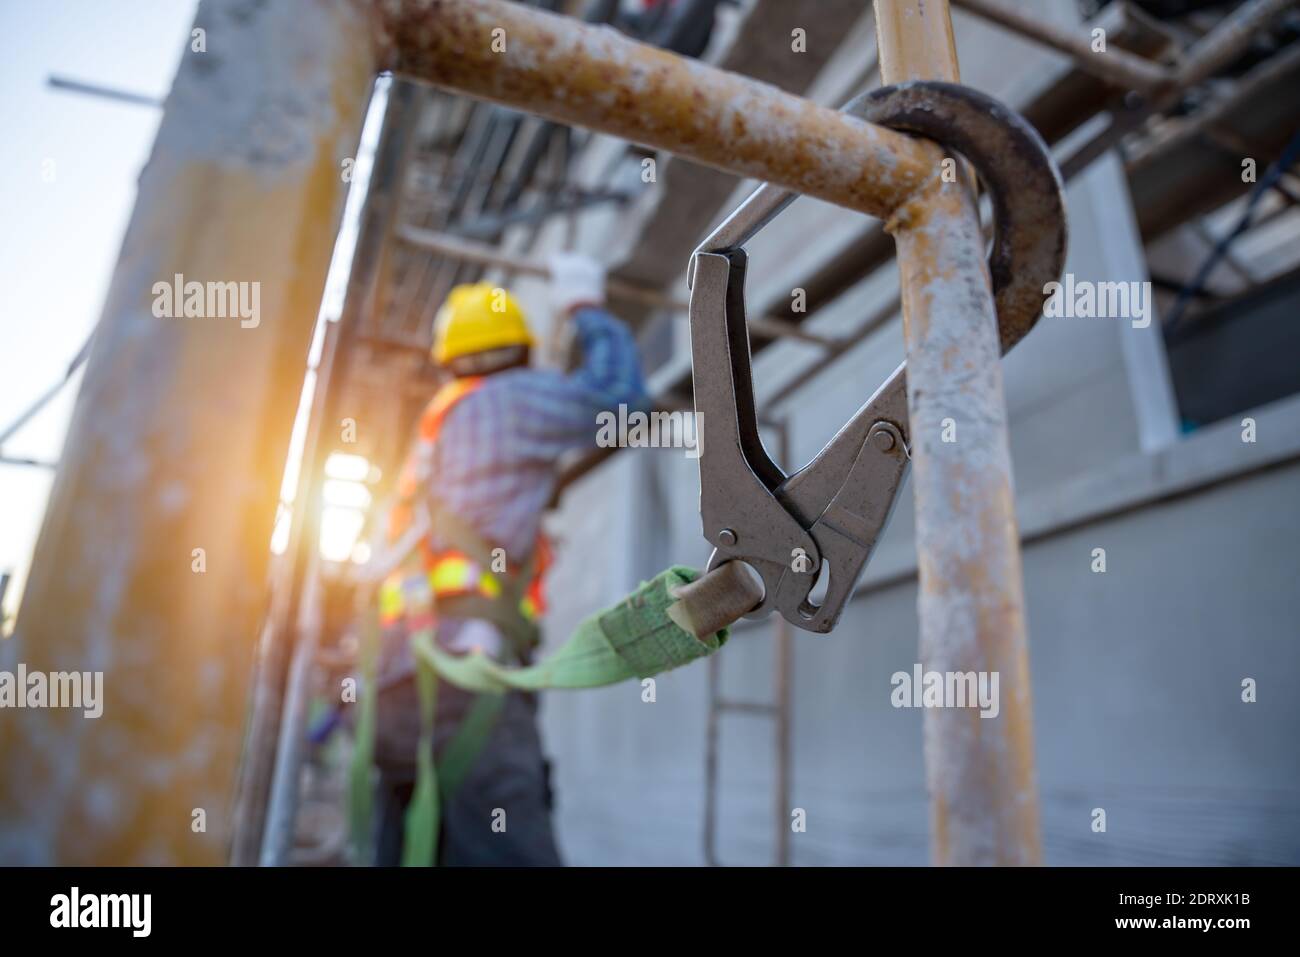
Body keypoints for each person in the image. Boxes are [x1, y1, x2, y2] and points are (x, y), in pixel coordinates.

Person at [371, 253, 648, 866]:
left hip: (396, 678)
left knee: (411, 848)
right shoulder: (512, 399)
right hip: (466, 674)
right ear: (517, 350)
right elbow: (622, 406)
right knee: (507, 847)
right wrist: (585, 309)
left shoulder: (436, 426)